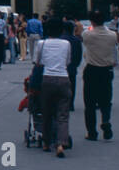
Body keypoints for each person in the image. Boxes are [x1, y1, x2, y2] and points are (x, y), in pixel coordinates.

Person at [33, 17, 71, 157]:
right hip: (63, 78)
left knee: (46, 112)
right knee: (62, 114)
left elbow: (37, 62)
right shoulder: (66, 44)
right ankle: (61, 143)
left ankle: (46, 142)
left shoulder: (41, 43)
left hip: (47, 79)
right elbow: (68, 62)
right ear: (62, 30)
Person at [82, 10, 119, 141]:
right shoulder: (112, 35)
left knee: (90, 103)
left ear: (91, 21)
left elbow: (85, 43)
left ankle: (92, 132)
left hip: (92, 69)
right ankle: (106, 120)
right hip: (107, 70)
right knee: (106, 100)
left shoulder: (87, 35)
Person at [62, 19, 83, 111]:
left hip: (61, 67)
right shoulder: (76, 40)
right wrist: (75, 64)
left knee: (62, 87)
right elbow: (79, 55)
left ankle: (62, 103)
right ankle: (70, 104)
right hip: (72, 67)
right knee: (72, 86)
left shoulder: (60, 39)